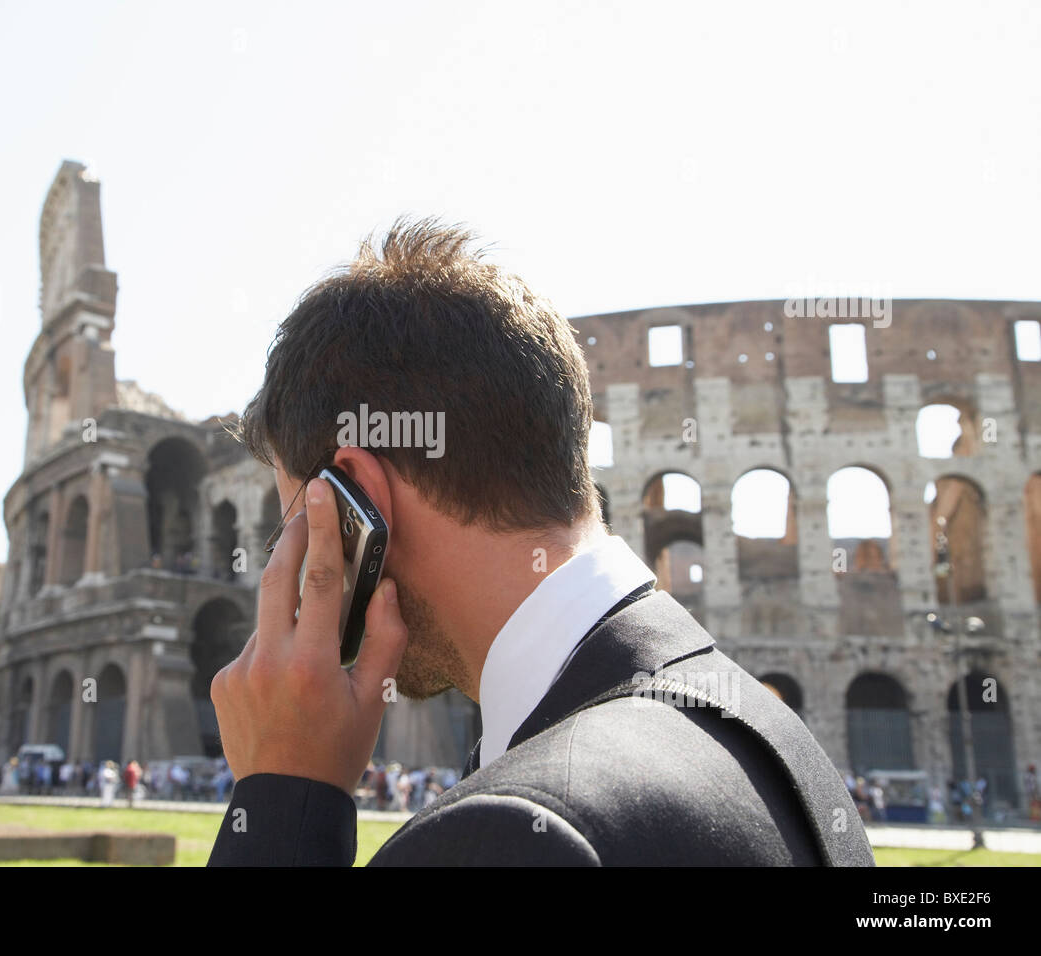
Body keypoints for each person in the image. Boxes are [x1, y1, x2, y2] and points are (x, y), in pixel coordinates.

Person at [205, 219, 874, 866]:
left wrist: (281, 803)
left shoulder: (509, 836)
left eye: (298, 517)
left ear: (357, 496)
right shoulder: (779, 745)